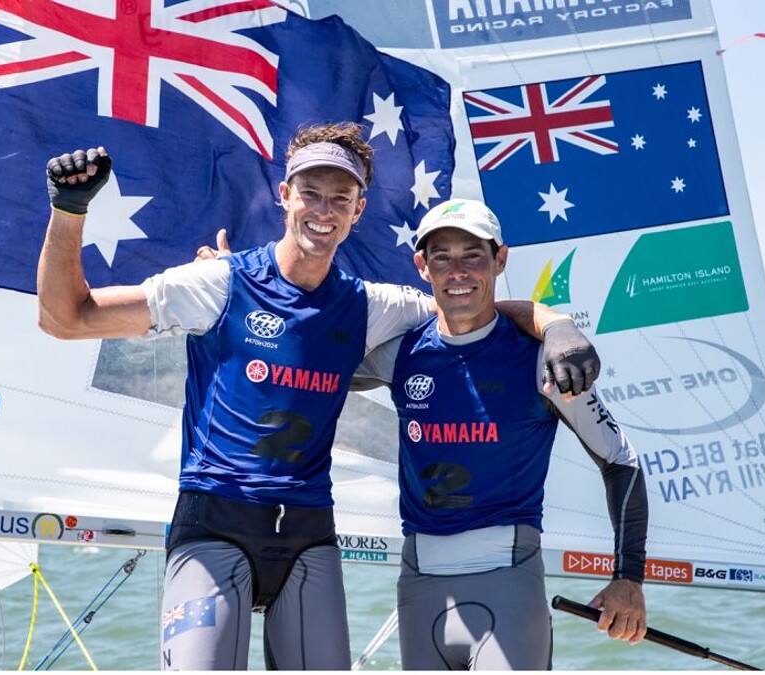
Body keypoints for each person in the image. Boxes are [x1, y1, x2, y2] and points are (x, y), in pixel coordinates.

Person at [36, 123, 600, 670]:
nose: (323, 211)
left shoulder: (373, 305)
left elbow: (467, 305)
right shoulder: (218, 283)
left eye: (341, 198)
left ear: (358, 211)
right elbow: (67, 318)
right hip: (214, 523)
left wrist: (556, 325)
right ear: (285, 196)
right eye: (310, 193)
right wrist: (69, 210)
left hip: (308, 537)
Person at [353, 198, 649, 670]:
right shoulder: (400, 354)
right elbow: (304, 364)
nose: (458, 270)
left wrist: (628, 578)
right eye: (441, 257)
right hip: (419, 585)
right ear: (421, 267)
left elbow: (621, 462)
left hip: (508, 582)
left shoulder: (543, 360)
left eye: (473, 255)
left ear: (500, 259)